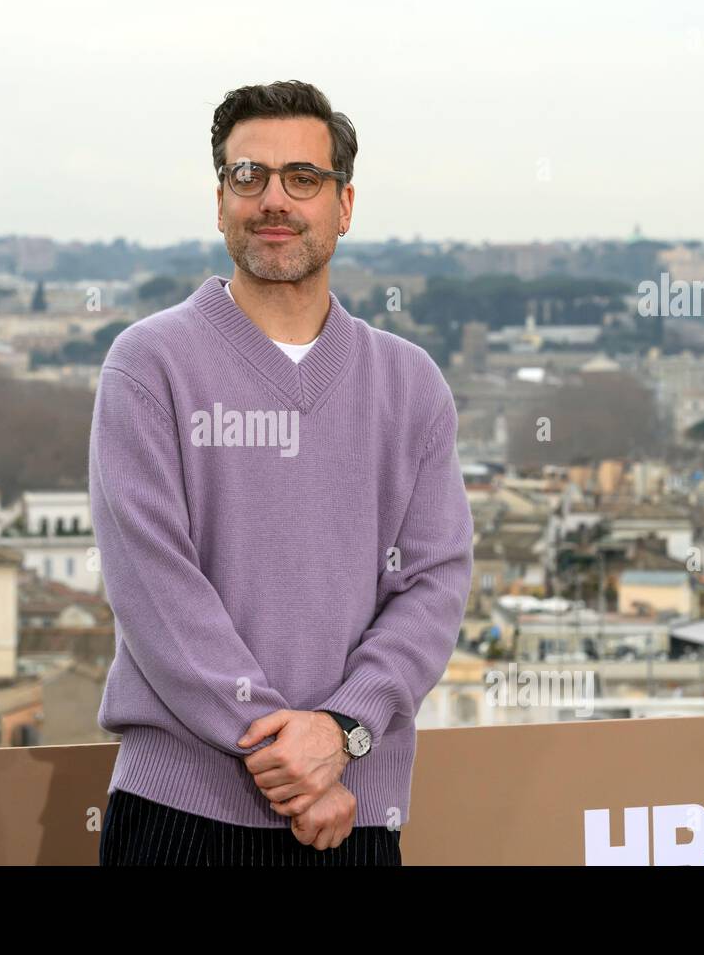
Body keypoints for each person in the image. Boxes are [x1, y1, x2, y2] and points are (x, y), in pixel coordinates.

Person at [91, 79, 473, 865]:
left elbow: (434, 586)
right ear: (220, 199)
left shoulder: (411, 383)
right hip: (181, 819)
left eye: (303, 178)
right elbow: (155, 589)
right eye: (248, 176)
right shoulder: (148, 366)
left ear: (344, 204)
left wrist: (339, 732)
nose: (274, 199)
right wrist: (296, 765)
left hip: (354, 814)